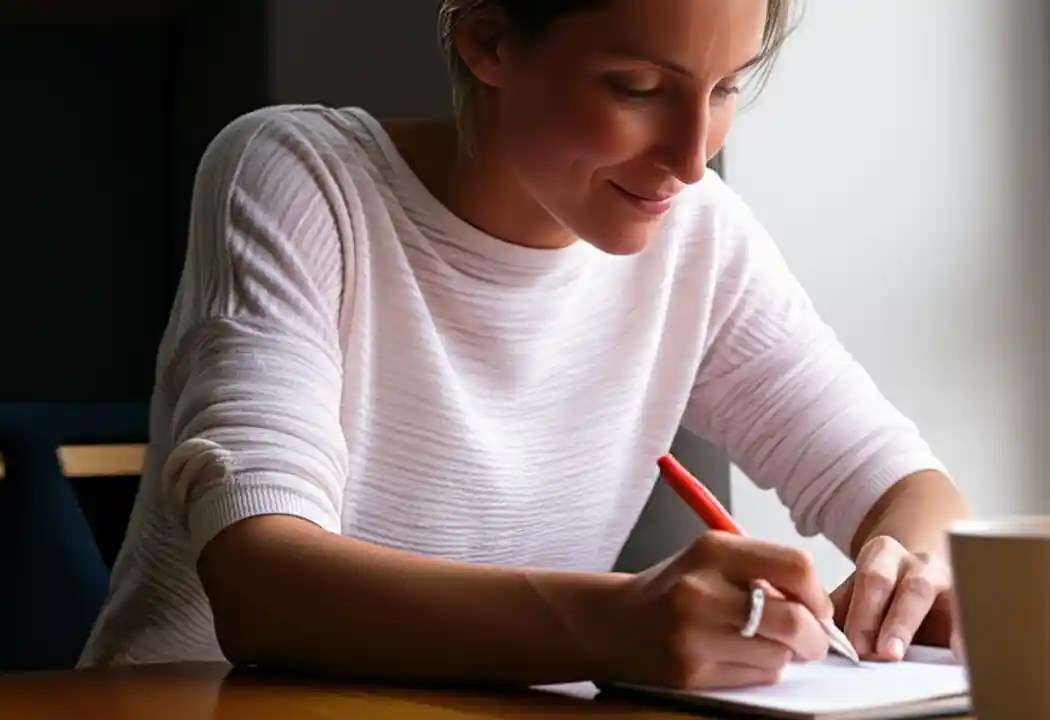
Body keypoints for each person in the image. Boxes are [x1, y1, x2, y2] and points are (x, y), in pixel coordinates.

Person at [79, 0, 969, 690]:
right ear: (489, 42)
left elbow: (903, 485)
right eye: (637, 88)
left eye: (728, 86)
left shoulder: (698, 237)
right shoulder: (304, 178)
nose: (693, 158)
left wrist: (912, 569)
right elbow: (260, 583)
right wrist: (619, 623)